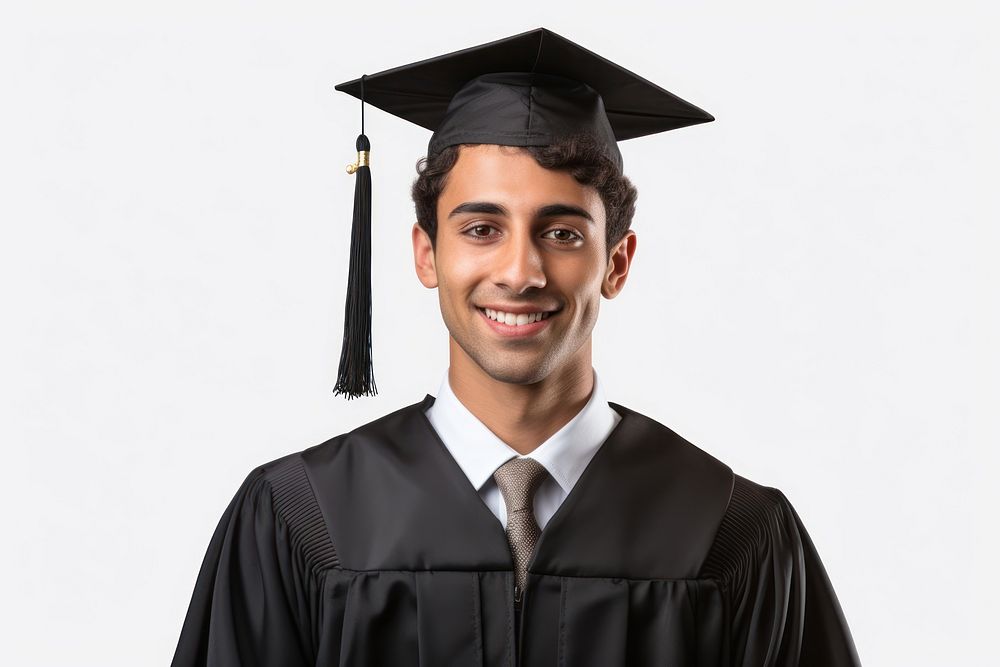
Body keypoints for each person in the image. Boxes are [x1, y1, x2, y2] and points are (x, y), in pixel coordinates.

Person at [170, 27, 861, 666]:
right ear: (427, 254)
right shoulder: (301, 518)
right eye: (480, 228)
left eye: (561, 233)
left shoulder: (732, 533)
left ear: (616, 263)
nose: (520, 272)